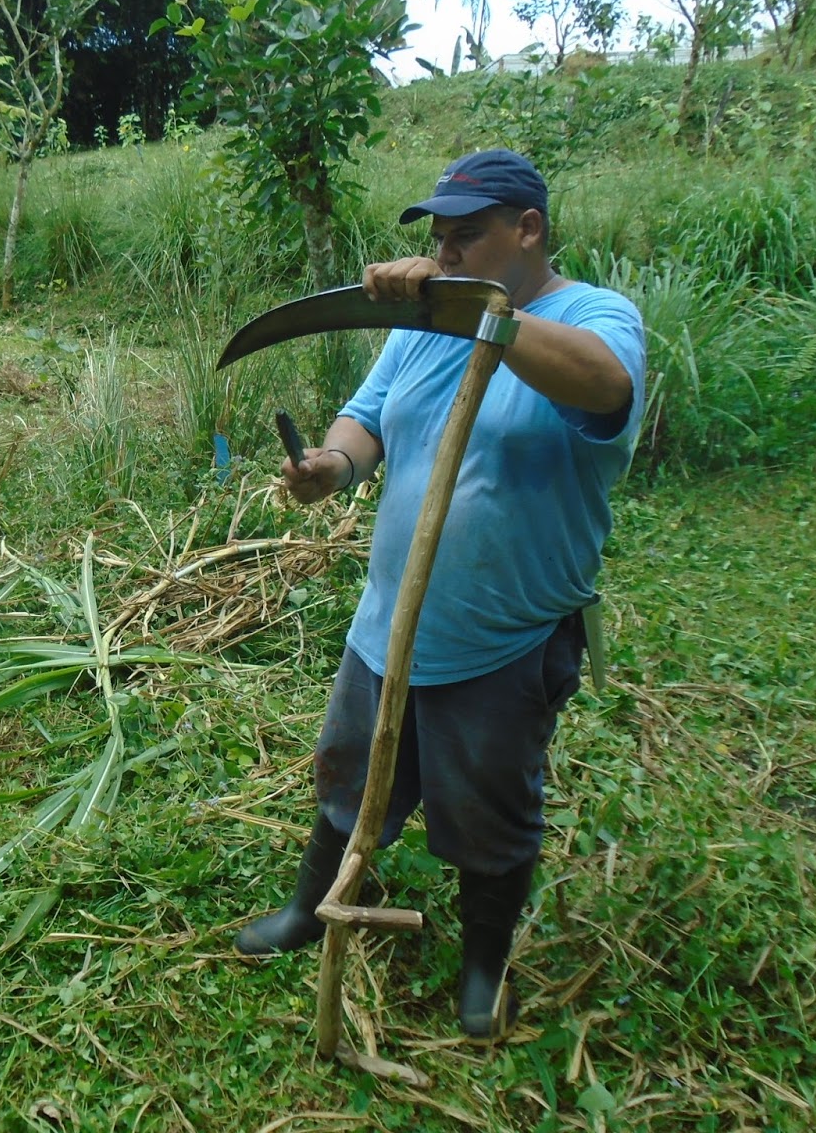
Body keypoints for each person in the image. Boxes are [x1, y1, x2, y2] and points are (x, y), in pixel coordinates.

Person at [231, 149, 646, 1042]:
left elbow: (606, 387)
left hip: (504, 637)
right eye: (441, 238)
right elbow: (368, 417)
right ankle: (309, 909)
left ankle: (482, 969)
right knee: (348, 778)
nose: (448, 253)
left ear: (528, 230)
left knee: (491, 810)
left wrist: (484, 318)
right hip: (388, 623)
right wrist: (331, 466)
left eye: (469, 235)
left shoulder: (593, 316)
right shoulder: (422, 327)